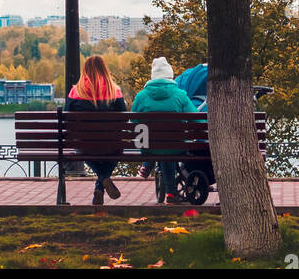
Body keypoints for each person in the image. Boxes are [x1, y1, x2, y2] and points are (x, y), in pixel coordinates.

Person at [131, 57, 200, 203]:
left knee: (158, 145)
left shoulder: (141, 96)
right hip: (176, 147)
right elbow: (197, 120)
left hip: (148, 148)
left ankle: (147, 166)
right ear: (170, 76)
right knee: (169, 146)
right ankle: (170, 194)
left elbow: (134, 122)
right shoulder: (181, 95)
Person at [66, 54, 127, 206]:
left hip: (85, 145)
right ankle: (103, 181)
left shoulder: (75, 91)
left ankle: (102, 180)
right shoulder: (115, 90)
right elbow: (124, 118)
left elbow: (67, 119)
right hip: (111, 145)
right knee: (116, 151)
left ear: (85, 70)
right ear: (104, 70)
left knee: (84, 149)